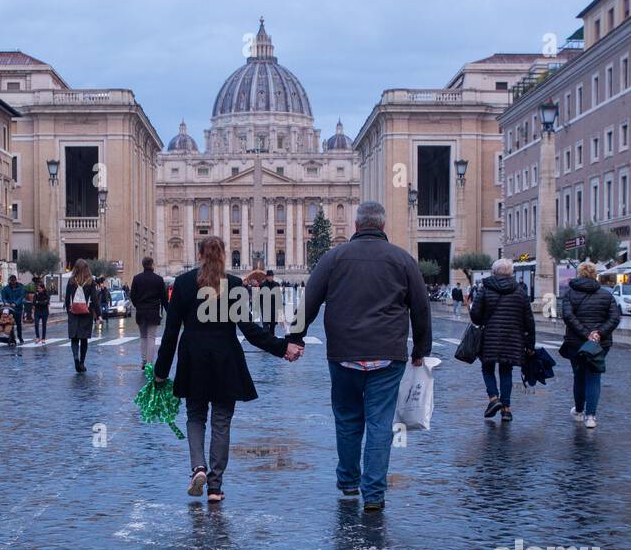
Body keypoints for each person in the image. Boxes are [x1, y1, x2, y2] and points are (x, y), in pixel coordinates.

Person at [288, 201, 432, 514]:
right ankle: (375, 494)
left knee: (348, 419)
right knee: (380, 424)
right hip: (387, 353)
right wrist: (420, 350)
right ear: (383, 227)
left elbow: (308, 301)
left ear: (356, 226)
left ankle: (349, 482)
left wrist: (295, 339)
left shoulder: (333, 258)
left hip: (344, 352)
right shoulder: (403, 260)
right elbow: (421, 308)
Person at [154, 237, 300, 503]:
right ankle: (214, 486)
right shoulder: (233, 285)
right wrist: (283, 348)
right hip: (225, 361)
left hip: (193, 360)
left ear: (199, 254)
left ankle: (198, 467)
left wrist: (160, 372)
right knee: (221, 422)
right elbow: (251, 331)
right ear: (223, 256)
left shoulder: (183, 284)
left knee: (195, 417)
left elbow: (171, 334)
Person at [469, 258, 535, 422]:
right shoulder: (520, 291)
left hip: (490, 337)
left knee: (487, 368)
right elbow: (529, 320)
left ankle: (493, 398)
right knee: (506, 372)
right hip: (513, 339)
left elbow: (475, 316)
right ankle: (506, 409)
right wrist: (530, 344)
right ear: (511, 272)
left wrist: (482, 317)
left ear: (494, 272)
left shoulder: (485, 289)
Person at [560, 261, 621, 429]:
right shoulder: (606, 295)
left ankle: (579, 411)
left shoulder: (570, 294)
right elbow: (614, 318)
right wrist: (598, 333)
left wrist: (586, 334)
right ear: (595, 275)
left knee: (579, 375)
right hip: (600, 343)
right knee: (594, 376)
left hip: (576, 342)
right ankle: (591, 416)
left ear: (579, 274)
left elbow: (568, 316)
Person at [131, 256, 168, 369]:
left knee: (143, 337)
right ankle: (149, 363)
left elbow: (132, 295)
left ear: (143, 265)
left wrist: (138, 305)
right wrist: (168, 311)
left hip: (141, 311)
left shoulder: (137, 278)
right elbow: (164, 298)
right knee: (151, 337)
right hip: (153, 311)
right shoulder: (158, 279)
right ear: (152, 264)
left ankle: (143, 360)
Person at [64, 260, 100, 372]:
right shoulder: (91, 282)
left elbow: (66, 298)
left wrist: (68, 310)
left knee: (74, 338)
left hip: (73, 313)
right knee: (83, 339)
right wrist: (98, 315)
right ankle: (82, 363)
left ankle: (75, 358)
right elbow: (94, 300)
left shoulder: (71, 281)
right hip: (86, 313)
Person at [0, 275, 25, 344]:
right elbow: (3, 296)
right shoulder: (6, 288)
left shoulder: (20, 287)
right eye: (11, 281)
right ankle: (12, 338)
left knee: (18, 324)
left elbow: (21, 297)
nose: (13, 283)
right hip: (9, 308)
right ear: (10, 281)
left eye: (14, 281)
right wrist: (6, 302)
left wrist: (16, 303)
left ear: (16, 281)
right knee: (10, 323)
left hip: (18, 308)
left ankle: (20, 337)